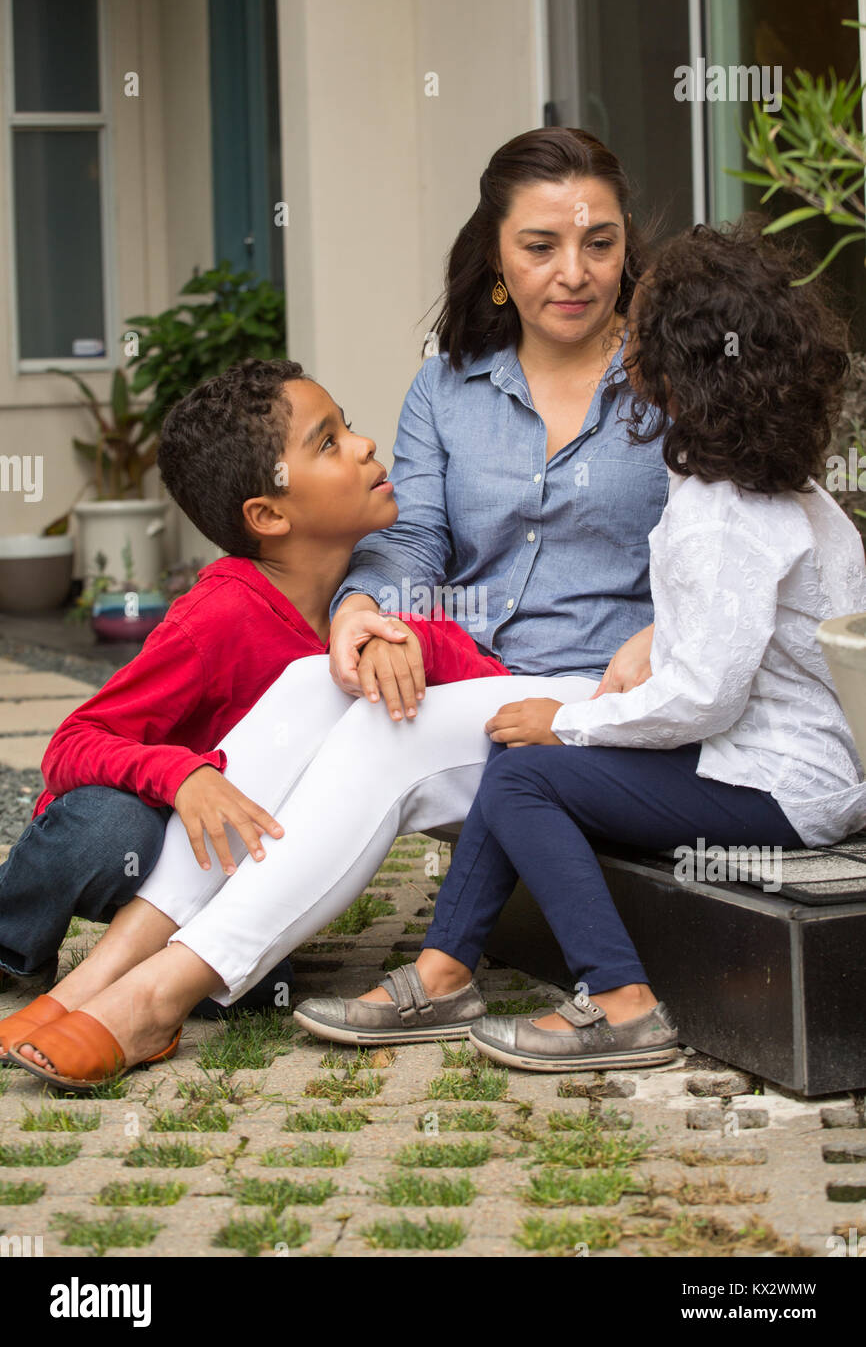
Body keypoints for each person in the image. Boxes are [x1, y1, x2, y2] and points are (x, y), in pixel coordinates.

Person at [5, 127, 673, 1088]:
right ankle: (103, 975)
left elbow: (727, 536)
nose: (574, 273)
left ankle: (161, 996)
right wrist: (362, 612)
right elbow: (410, 542)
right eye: (540, 247)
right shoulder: (448, 391)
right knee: (307, 682)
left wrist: (669, 627)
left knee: (384, 732)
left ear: (625, 248)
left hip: (601, 694)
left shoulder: (672, 380)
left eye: (599, 243)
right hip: (472, 670)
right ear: (496, 255)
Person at [296, 219, 866, 1070]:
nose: (620, 344)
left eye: (638, 332)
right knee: (521, 760)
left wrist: (567, 721)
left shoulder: (720, 515)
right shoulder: (796, 495)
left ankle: (622, 1003)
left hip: (777, 791)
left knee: (527, 770)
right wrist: (646, 643)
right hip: (790, 771)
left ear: (674, 370)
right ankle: (445, 972)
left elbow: (707, 698)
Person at [0, 358, 512, 1087]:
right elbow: (73, 743)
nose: (366, 446)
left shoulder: (374, 600)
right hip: (145, 824)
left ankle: (151, 988)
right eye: (328, 442)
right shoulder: (219, 616)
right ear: (268, 516)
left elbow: (478, 694)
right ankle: (17, 945)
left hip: (239, 852)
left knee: (241, 994)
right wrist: (183, 776)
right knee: (108, 832)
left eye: (349, 427)